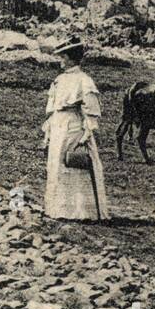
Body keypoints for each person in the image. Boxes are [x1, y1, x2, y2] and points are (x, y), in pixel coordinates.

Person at [42, 37, 109, 221]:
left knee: (74, 165)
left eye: (62, 57)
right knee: (57, 164)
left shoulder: (84, 81)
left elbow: (91, 111)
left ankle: (81, 212)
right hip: (58, 126)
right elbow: (52, 108)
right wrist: (48, 131)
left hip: (74, 128)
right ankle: (58, 209)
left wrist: (87, 133)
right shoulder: (58, 80)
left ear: (71, 58)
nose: (60, 61)